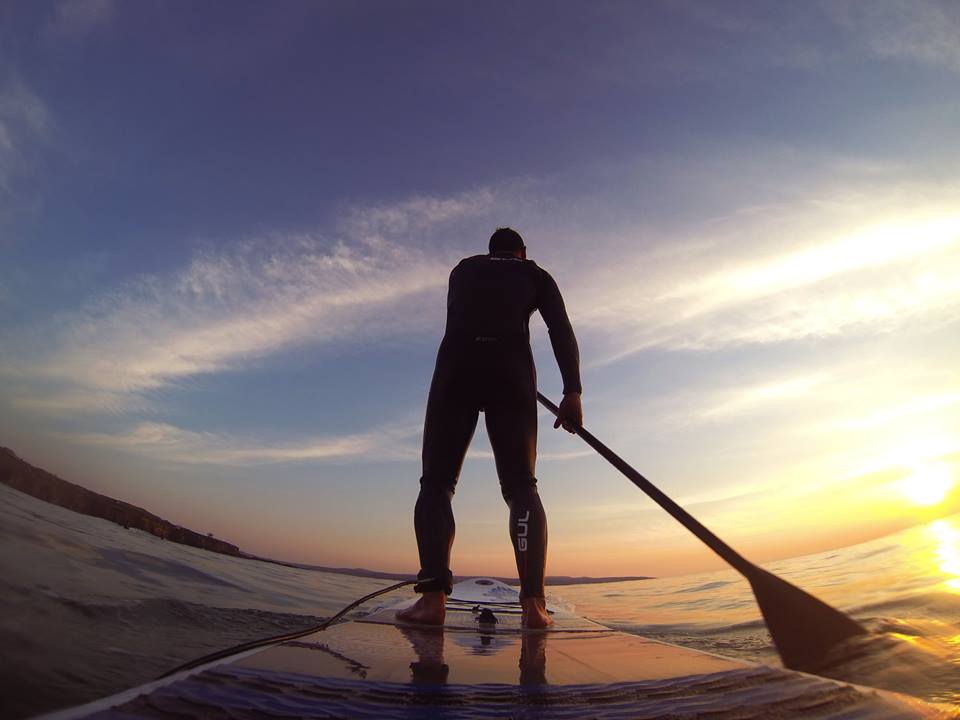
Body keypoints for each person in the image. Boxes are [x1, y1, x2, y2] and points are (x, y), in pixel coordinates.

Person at [397, 227, 583, 629]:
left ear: (490, 251)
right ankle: (533, 607)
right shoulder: (535, 274)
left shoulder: (462, 270)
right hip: (511, 375)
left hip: (456, 372)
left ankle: (432, 601)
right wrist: (572, 393)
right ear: (522, 251)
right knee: (521, 488)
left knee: (436, 484)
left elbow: (477, 312)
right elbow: (560, 330)